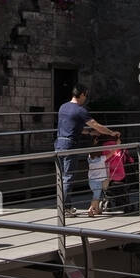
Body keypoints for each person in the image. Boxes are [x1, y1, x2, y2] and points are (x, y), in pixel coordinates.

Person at [54, 86, 119, 216]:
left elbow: (71, 127)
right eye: (86, 96)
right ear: (82, 95)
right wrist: (111, 133)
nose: (86, 99)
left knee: (61, 177)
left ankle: (63, 206)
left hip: (58, 143)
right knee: (68, 176)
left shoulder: (63, 107)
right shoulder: (80, 110)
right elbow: (96, 125)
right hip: (70, 146)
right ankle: (65, 208)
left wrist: (88, 132)